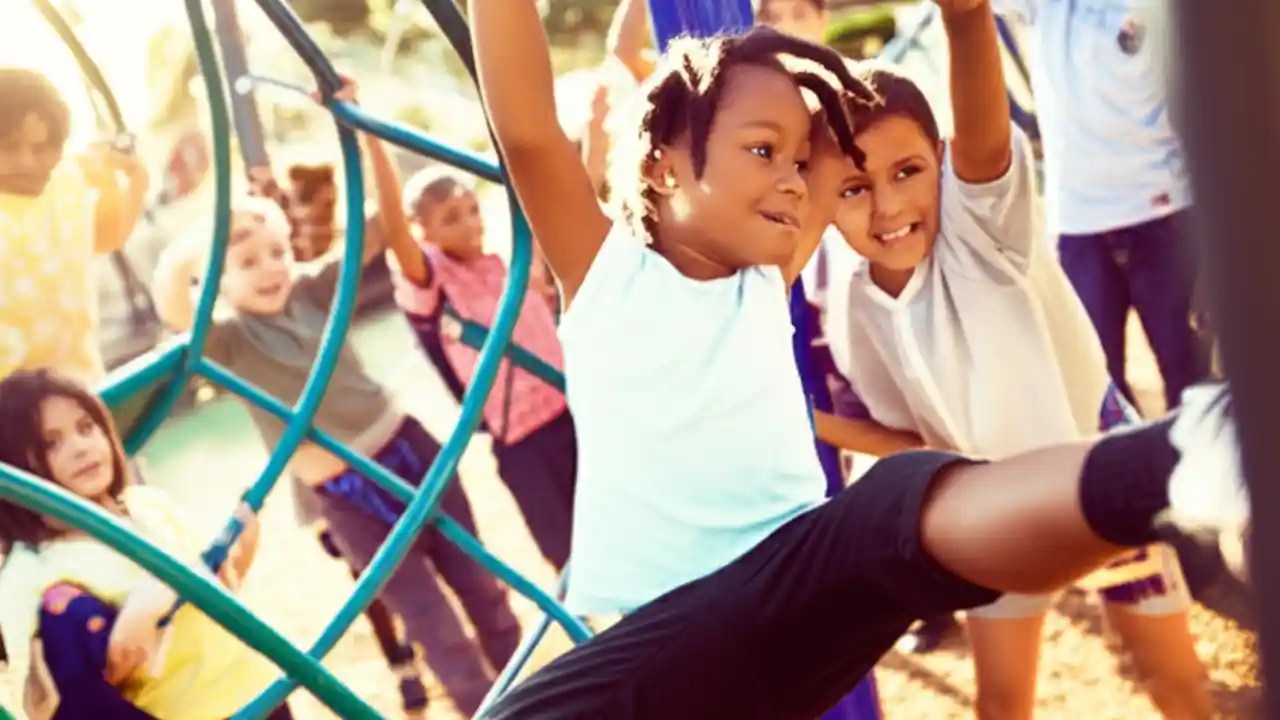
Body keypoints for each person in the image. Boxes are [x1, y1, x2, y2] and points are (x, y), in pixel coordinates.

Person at [813, 1, 1208, 716]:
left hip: (1094, 470)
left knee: (1175, 684)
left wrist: (966, 20)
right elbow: (915, 441)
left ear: (941, 161)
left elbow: (986, 137)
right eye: (852, 188)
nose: (886, 205)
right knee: (1002, 705)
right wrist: (812, 422)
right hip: (998, 511)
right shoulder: (854, 307)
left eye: (908, 170)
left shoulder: (984, 229)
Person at [151, 87, 519, 715]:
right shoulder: (230, 343)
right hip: (349, 498)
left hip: (408, 449)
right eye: (245, 262)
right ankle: (490, 709)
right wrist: (208, 236)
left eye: (276, 252)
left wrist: (362, 135)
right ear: (219, 276)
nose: (269, 269)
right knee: (431, 623)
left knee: (482, 587)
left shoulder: (315, 290)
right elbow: (170, 301)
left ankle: (537, 690)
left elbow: (385, 224)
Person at [0, 369, 283, 720]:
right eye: (50, 443)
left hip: (260, 690)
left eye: (87, 428)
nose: (81, 447)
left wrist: (242, 547)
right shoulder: (41, 572)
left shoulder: (148, 506)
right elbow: (53, 694)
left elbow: (216, 589)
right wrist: (128, 626)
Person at [990, 0, 1206, 412]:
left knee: (1190, 383)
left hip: (1163, 213)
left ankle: (1193, 473)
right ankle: (1131, 476)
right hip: (1078, 224)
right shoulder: (1049, 8)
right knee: (1093, 389)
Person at [388, 164, 576, 571]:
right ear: (423, 231)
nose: (470, 224)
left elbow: (558, 195)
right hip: (524, 442)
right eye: (450, 219)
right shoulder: (435, 288)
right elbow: (395, 231)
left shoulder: (510, 264)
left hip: (573, 413)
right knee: (568, 556)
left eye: (472, 209)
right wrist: (369, 143)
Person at [0, 68, 150, 385]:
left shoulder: (64, 182)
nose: (27, 161)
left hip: (78, 382)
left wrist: (130, 182)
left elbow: (106, 237)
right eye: (9, 148)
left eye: (41, 148)